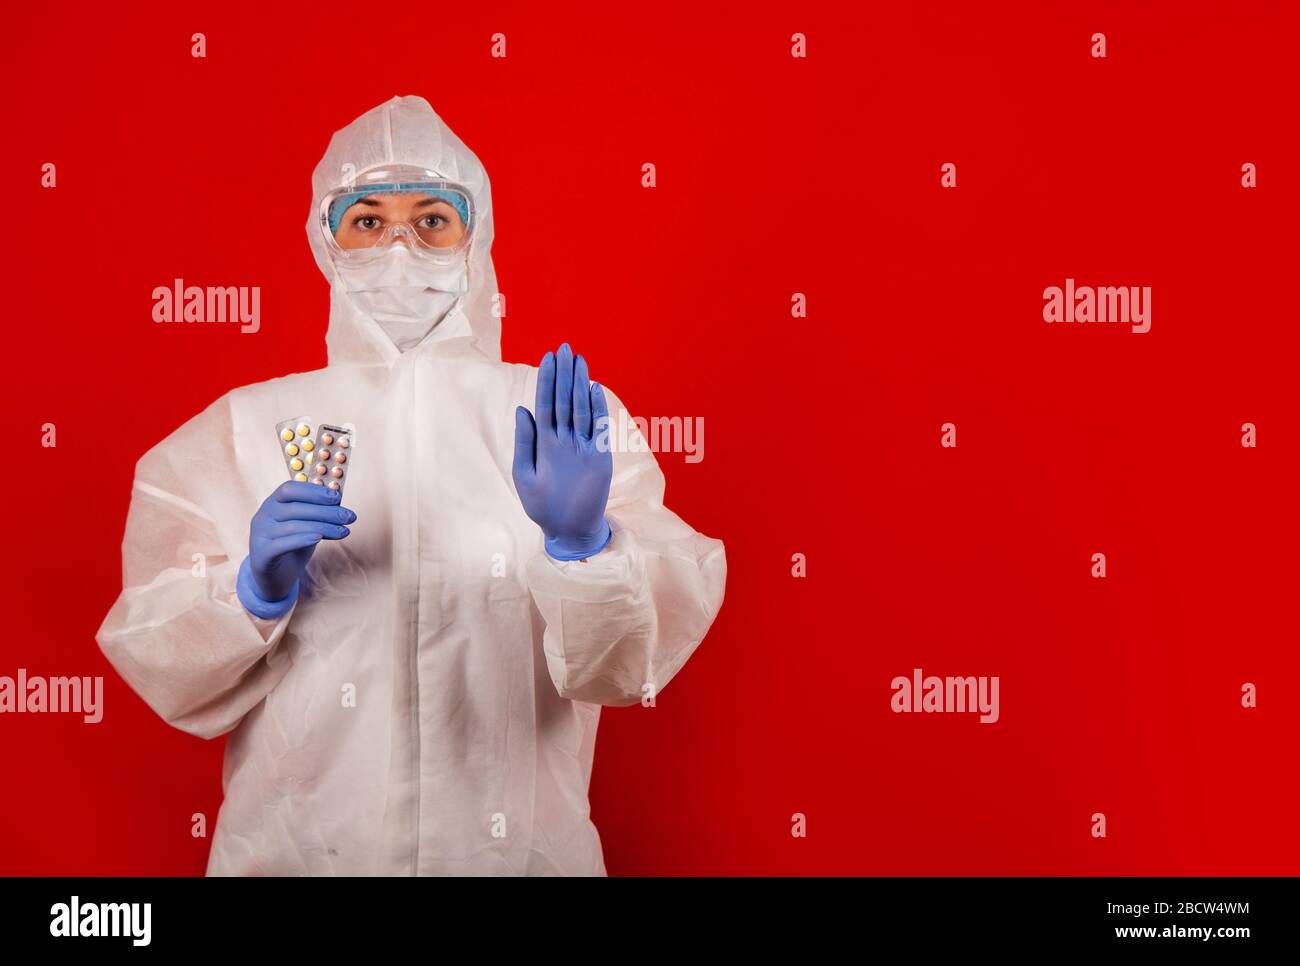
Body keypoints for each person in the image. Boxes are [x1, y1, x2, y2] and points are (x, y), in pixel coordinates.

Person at [96, 95, 727, 875]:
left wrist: (587, 550)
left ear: (477, 235)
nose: (399, 247)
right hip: (298, 855)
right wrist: (247, 597)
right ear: (326, 241)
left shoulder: (554, 421)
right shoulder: (244, 431)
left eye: (433, 219)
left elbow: (622, 673)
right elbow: (159, 661)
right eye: (367, 220)